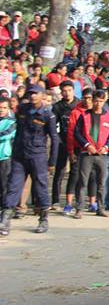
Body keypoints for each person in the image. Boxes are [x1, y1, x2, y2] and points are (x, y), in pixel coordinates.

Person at [0, 83, 59, 235]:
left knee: (40, 186)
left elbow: (54, 138)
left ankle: (43, 218)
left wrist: (52, 161)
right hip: (20, 155)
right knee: (13, 185)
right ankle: (5, 219)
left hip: (37, 155)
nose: (32, 96)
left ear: (42, 96)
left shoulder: (47, 114)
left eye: (35, 93)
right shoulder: (22, 109)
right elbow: (18, 130)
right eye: (30, 93)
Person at [73, 90, 109, 218]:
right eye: (96, 100)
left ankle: (100, 208)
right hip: (87, 153)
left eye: (101, 101)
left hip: (102, 154)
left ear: (104, 102)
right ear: (92, 100)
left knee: (101, 182)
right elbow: (77, 133)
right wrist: (87, 145)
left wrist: (106, 146)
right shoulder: (84, 115)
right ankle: (79, 209)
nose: (98, 103)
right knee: (82, 181)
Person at [50, 81, 78, 210]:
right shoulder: (57, 107)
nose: (67, 93)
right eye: (64, 91)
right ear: (61, 92)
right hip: (62, 142)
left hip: (76, 142)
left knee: (75, 171)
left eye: (69, 90)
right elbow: (53, 127)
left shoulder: (79, 105)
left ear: (73, 91)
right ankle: (55, 200)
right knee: (60, 171)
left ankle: (72, 200)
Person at [0, 97, 14, 204]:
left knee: (4, 183)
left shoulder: (12, 122)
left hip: (4, 156)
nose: (1, 110)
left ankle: (5, 206)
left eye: (4, 108)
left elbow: (7, 134)